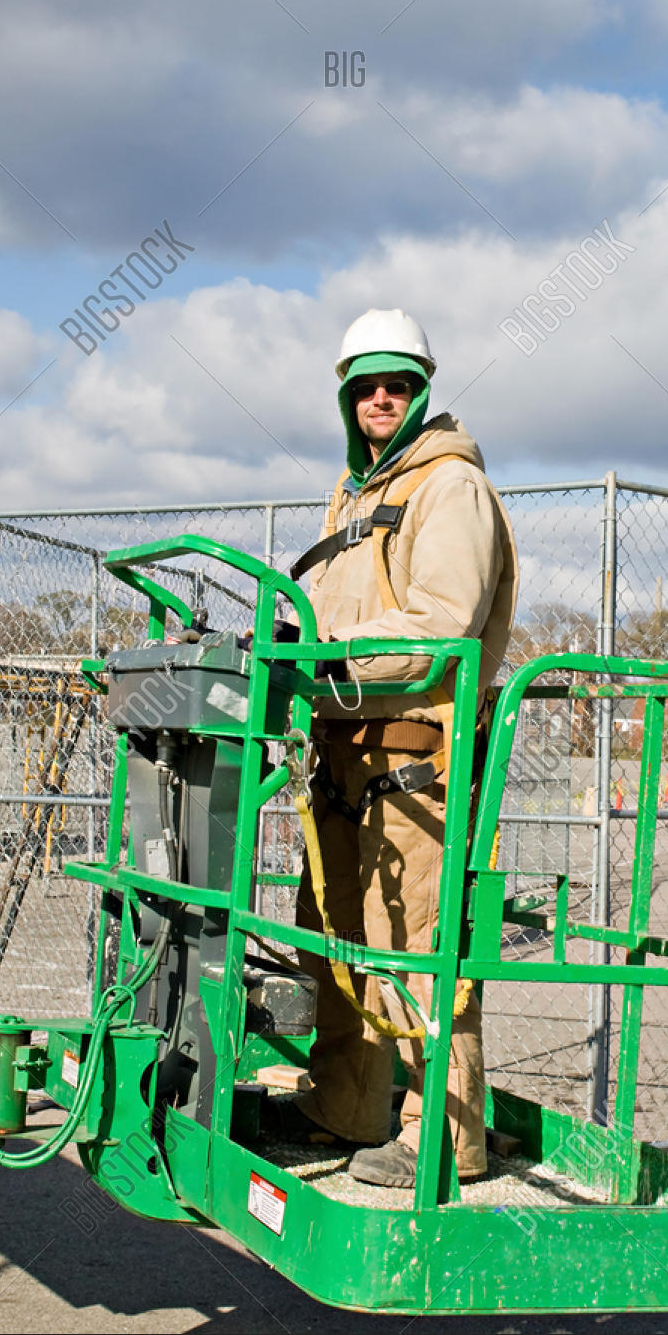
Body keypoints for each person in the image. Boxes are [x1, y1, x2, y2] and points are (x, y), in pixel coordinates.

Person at [268, 308, 519, 1187]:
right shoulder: (358, 492)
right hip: (344, 757)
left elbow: (437, 628)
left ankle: (445, 1143)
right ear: (346, 394)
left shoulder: (449, 486)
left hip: (417, 766)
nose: (382, 397)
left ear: (422, 389)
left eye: (399, 383)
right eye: (367, 384)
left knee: (420, 949)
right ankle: (347, 1108)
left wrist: (320, 663)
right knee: (338, 942)